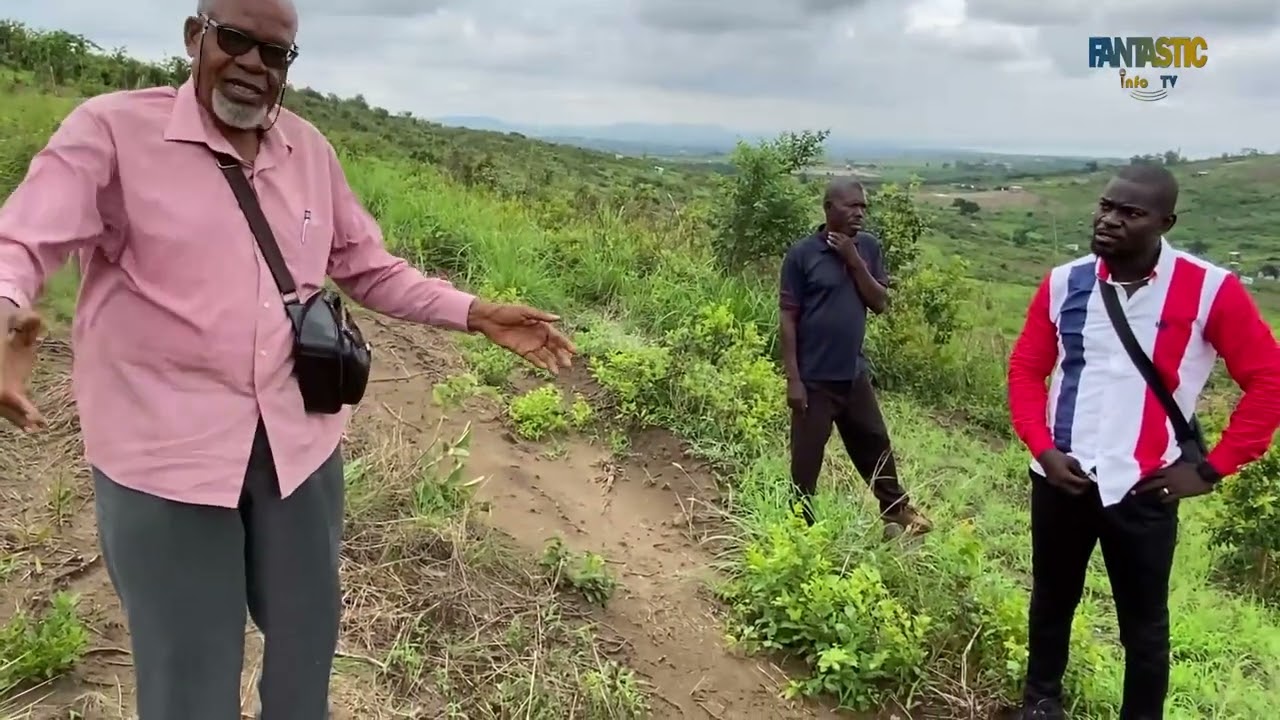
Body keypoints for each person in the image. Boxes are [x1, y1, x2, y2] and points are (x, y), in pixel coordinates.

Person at [0, 0, 576, 717]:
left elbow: (368, 267)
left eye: (274, 54)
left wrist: (473, 313)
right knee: (191, 678)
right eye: (235, 40)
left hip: (296, 448)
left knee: (306, 647)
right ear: (194, 36)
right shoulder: (112, 132)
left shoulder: (309, 152)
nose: (252, 65)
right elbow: (22, 239)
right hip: (165, 459)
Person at [1007, 163, 1280, 719]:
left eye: (1129, 213)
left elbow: (1269, 381)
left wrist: (1210, 469)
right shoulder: (1065, 282)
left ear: (1165, 222)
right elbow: (1026, 368)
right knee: (1052, 600)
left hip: (1146, 487)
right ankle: (1040, 704)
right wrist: (1042, 448)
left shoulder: (1210, 290)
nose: (1109, 220)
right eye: (1105, 207)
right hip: (1063, 478)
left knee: (1144, 627)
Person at [778, 178, 931, 533]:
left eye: (863, 207)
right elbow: (787, 316)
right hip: (814, 380)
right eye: (851, 206)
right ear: (829, 208)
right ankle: (800, 527)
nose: (859, 213)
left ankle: (896, 512)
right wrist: (794, 379)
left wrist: (853, 260)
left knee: (875, 443)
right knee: (806, 460)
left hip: (852, 374)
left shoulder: (869, 248)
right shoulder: (802, 255)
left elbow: (879, 302)